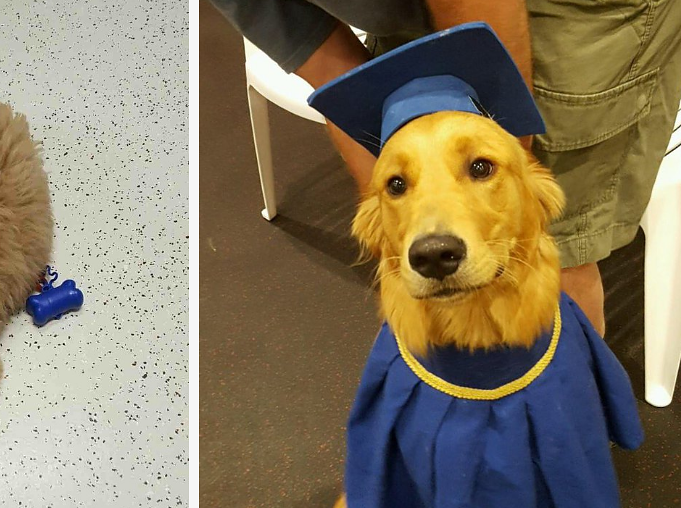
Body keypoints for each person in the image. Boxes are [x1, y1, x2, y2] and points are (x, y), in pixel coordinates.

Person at [210, 0, 681, 337]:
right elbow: (289, 29)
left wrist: (499, 155)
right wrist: (375, 124)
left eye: (478, 169)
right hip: (402, 7)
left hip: (565, 13)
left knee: (557, 248)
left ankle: (567, 429)